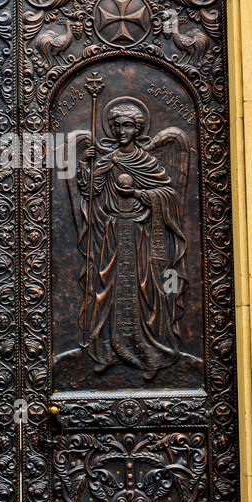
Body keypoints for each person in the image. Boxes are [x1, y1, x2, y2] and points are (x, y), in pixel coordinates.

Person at [77, 99, 187, 379]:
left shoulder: (147, 162)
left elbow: (168, 195)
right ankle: (107, 353)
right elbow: (91, 193)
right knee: (109, 293)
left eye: (128, 126)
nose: (122, 131)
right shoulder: (107, 160)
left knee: (145, 292)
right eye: (118, 126)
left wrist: (139, 195)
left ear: (137, 129)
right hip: (113, 235)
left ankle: (149, 356)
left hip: (141, 237)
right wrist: (87, 167)